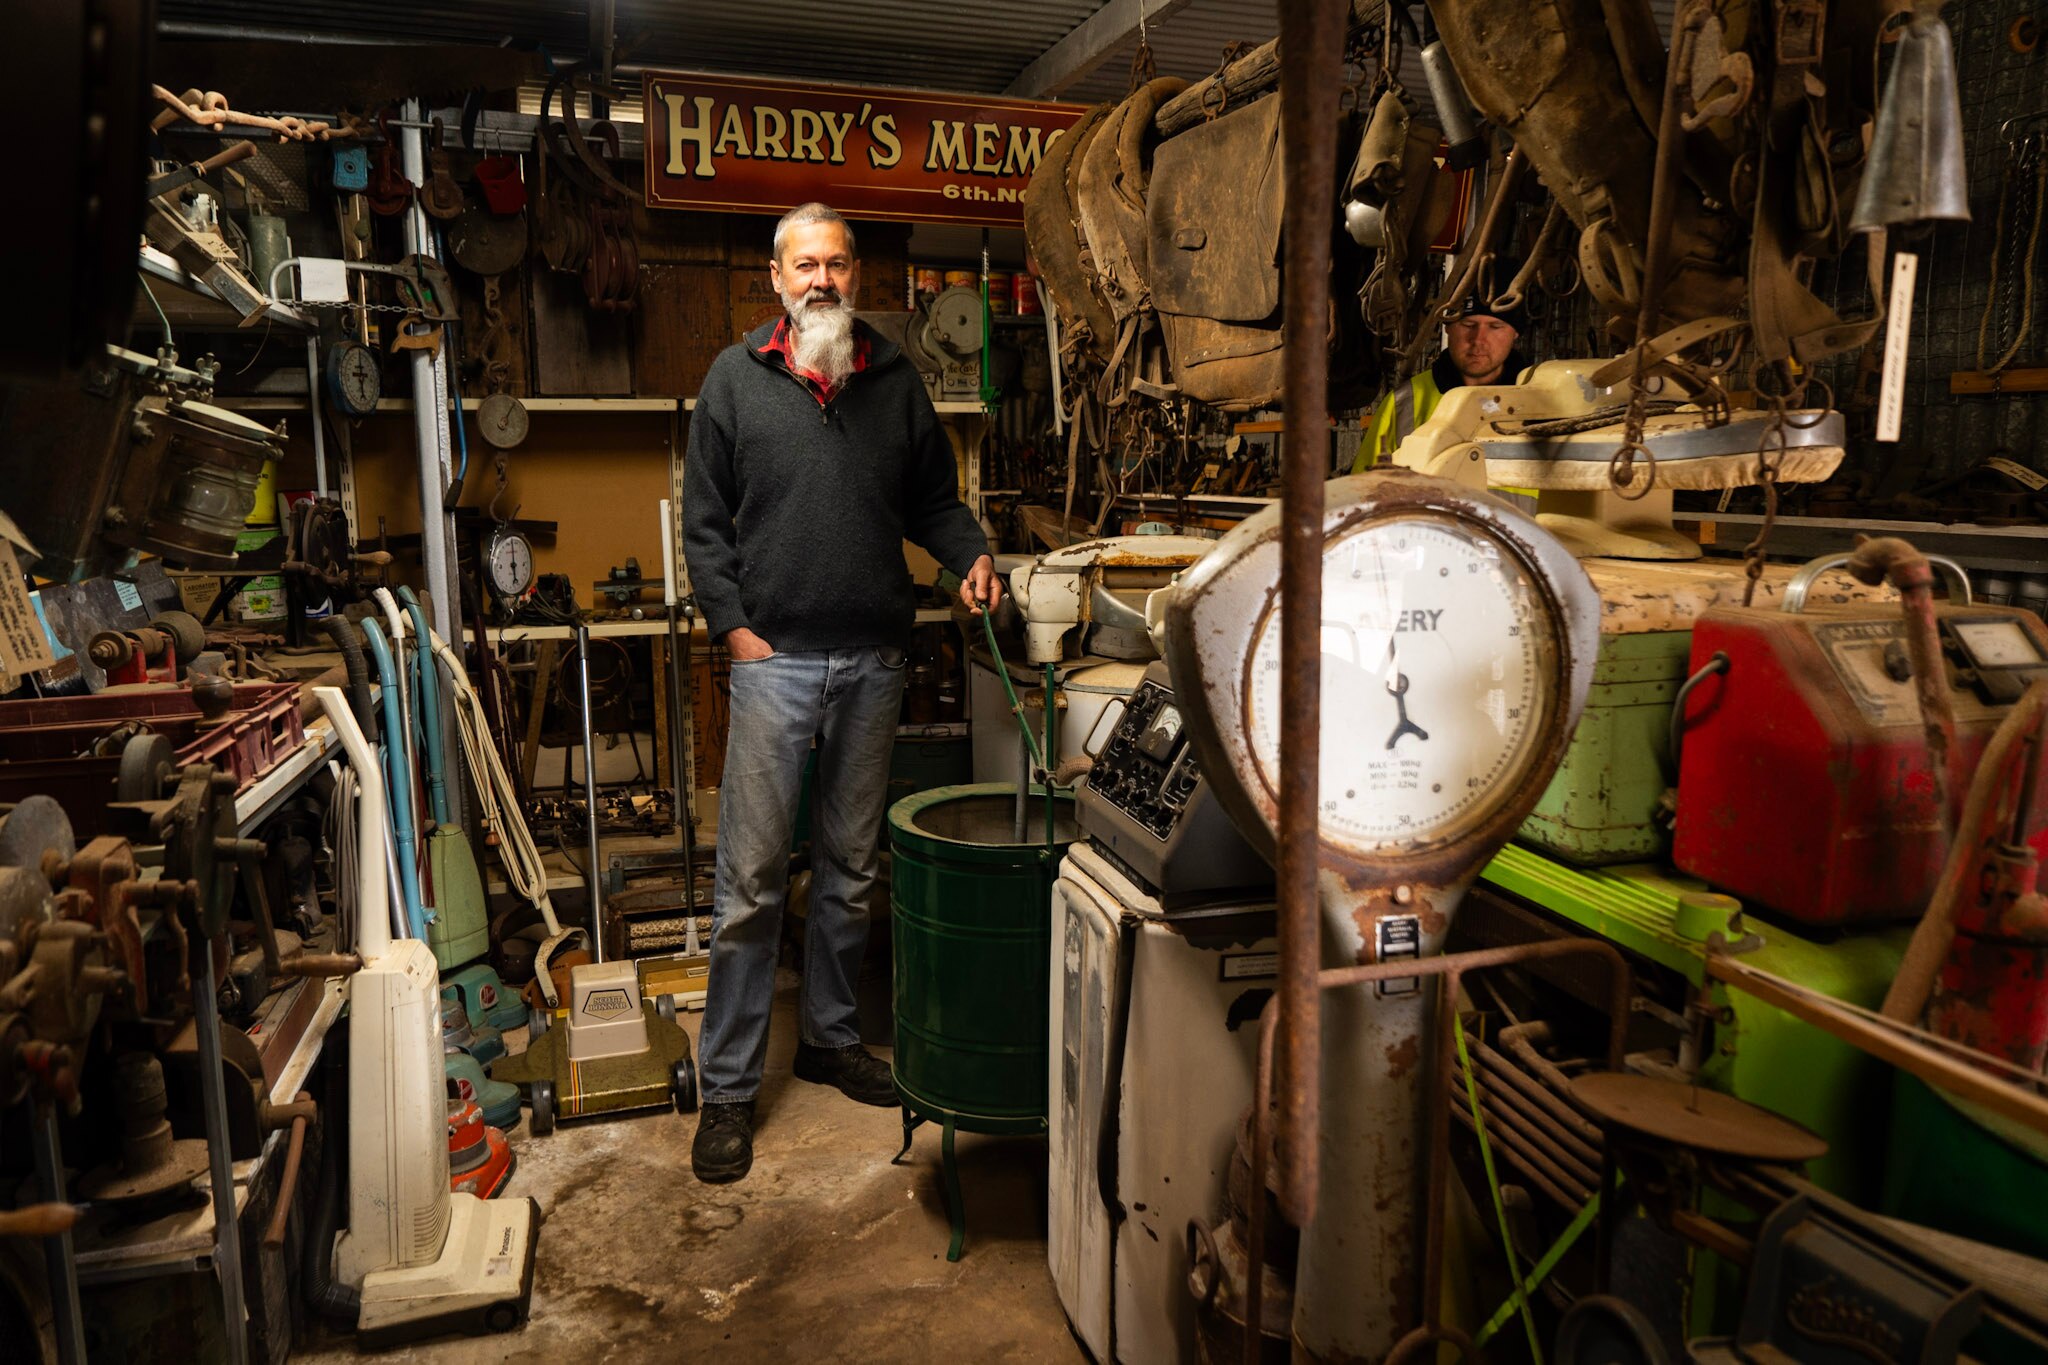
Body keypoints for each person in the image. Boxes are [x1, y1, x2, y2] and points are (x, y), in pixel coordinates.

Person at [682, 202, 1002, 1184]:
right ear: (775, 281)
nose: (819, 280)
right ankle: (729, 1088)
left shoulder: (893, 382)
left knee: (850, 873)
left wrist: (969, 557)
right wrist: (737, 633)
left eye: (835, 264)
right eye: (801, 265)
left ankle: (825, 1039)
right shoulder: (734, 381)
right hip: (773, 664)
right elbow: (704, 526)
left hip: (872, 659)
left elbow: (931, 503)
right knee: (749, 888)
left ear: (856, 277)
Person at [1350, 296, 1535, 505]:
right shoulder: (1404, 403)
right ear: (1448, 327)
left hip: (1524, 538)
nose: (1478, 339)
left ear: (1516, 333)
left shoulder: (1543, 406)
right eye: (1468, 324)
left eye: (1495, 326)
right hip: (1430, 538)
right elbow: (1362, 496)